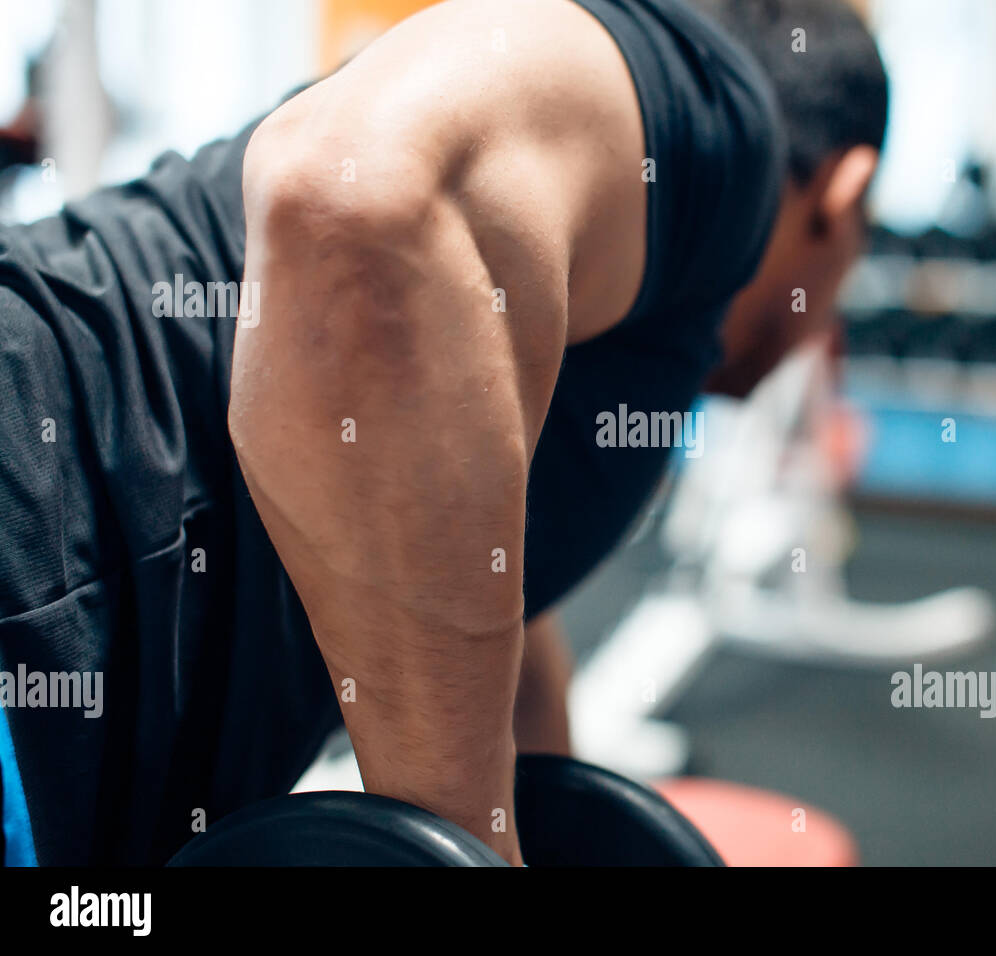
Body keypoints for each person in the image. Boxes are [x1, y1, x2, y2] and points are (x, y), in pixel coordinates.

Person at [0, 0, 887, 866]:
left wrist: (531, 817)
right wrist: (467, 840)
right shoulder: (712, 113)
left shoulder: (596, 239)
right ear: (843, 198)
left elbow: (477, 571)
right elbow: (356, 194)